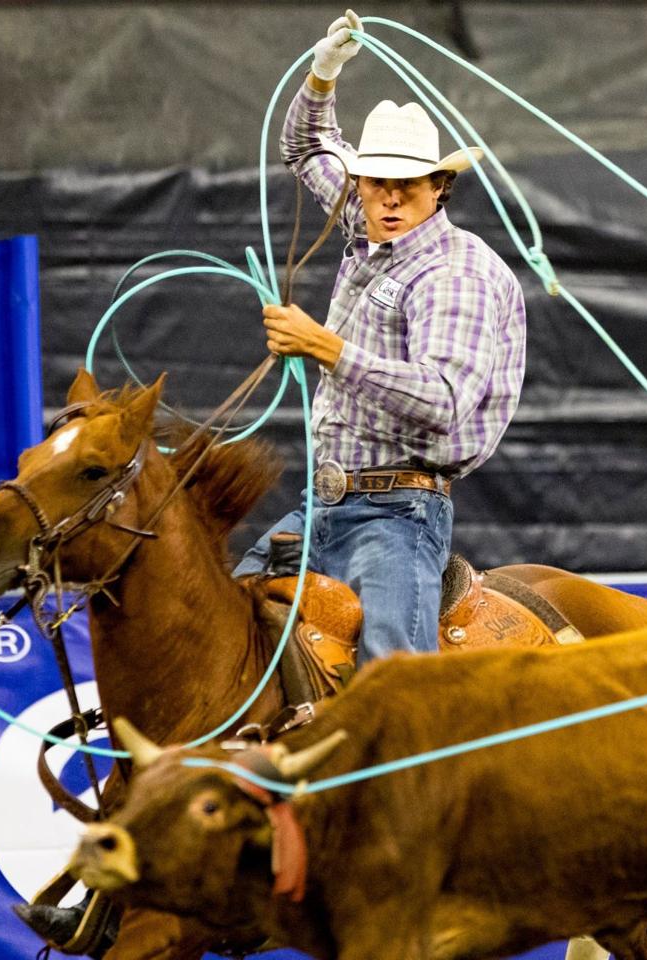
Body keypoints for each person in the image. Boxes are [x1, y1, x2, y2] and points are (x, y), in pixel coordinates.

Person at [235, 9, 527, 666]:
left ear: (439, 187)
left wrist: (323, 345)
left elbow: (443, 398)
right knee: (227, 627)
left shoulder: (455, 273)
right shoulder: (367, 221)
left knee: (392, 677)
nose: (389, 199)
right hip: (323, 505)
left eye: (407, 186)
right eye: (376, 184)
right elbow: (307, 147)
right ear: (361, 184)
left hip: (400, 515)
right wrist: (323, 74)